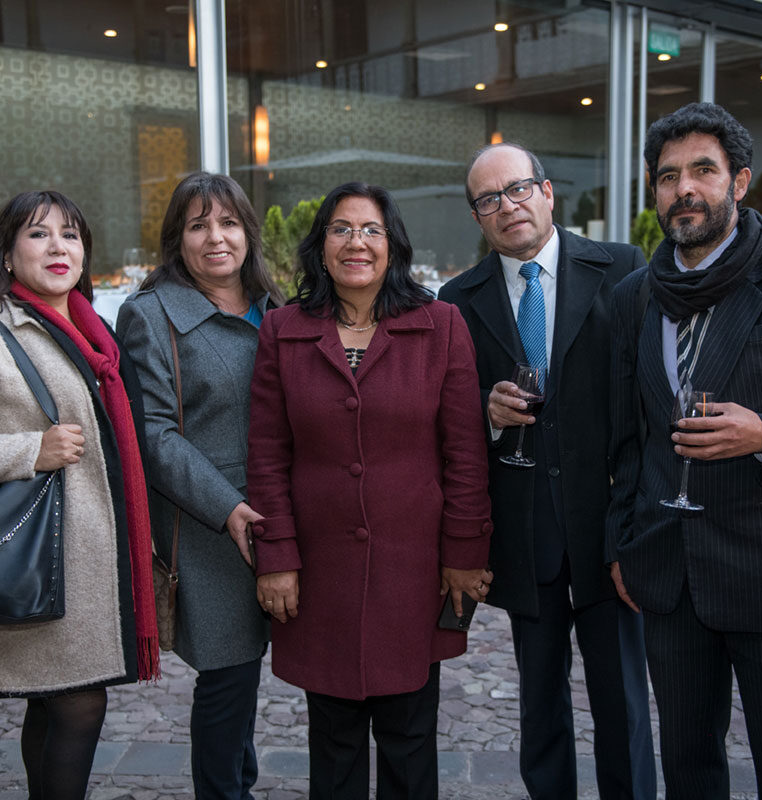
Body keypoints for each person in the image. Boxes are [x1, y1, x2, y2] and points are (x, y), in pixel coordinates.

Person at [246, 181, 493, 799]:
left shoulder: (441, 326)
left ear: (393, 246)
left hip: (412, 571)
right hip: (321, 573)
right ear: (321, 246)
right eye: (341, 229)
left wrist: (465, 554)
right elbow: (268, 455)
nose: (356, 241)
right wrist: (275, 557)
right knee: (333, 741)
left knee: (410, 739)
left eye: (371, 230)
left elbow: (464, 451)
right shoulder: (283, 330)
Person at [439, 143, 656, 800]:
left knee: (622, 703)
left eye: (519, 189)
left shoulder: (621, 269)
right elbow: (447, 416)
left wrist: (636, 522)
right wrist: (487, 409)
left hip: (607, 529)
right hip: (524, 533)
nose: (507, 207)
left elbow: (646, 402)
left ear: (548, 191)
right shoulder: (457, 300)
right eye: (489, 199)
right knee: (540, 706)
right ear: (476, 215)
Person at [606, 102, 762, 800]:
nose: (683, 188)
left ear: (739, 183)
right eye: (667, 177)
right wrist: (622, 543)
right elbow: (627, 440)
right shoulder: (634, 296)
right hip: (668, 572)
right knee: (688, 767)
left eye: (702, 171)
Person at [116, 172, 277, 799]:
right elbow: (154, 434)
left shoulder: (279, 306)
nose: (216, 237)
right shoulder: (150, 314)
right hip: (210, 523)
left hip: (284, 513)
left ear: (248, 232)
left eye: (229, 222)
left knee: (252, 682)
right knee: (227, 683)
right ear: (176, 240)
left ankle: (241, 782)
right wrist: (229, 507)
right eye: (198, 224)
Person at [0, 191, 158, 799]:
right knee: (78, 704)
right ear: (9, 256)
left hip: (87, 558)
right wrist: (27, 451)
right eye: (38, 235)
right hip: (48, 559)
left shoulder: (95, 333)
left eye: (70, 234)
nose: (59, 246)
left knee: (55, 705)